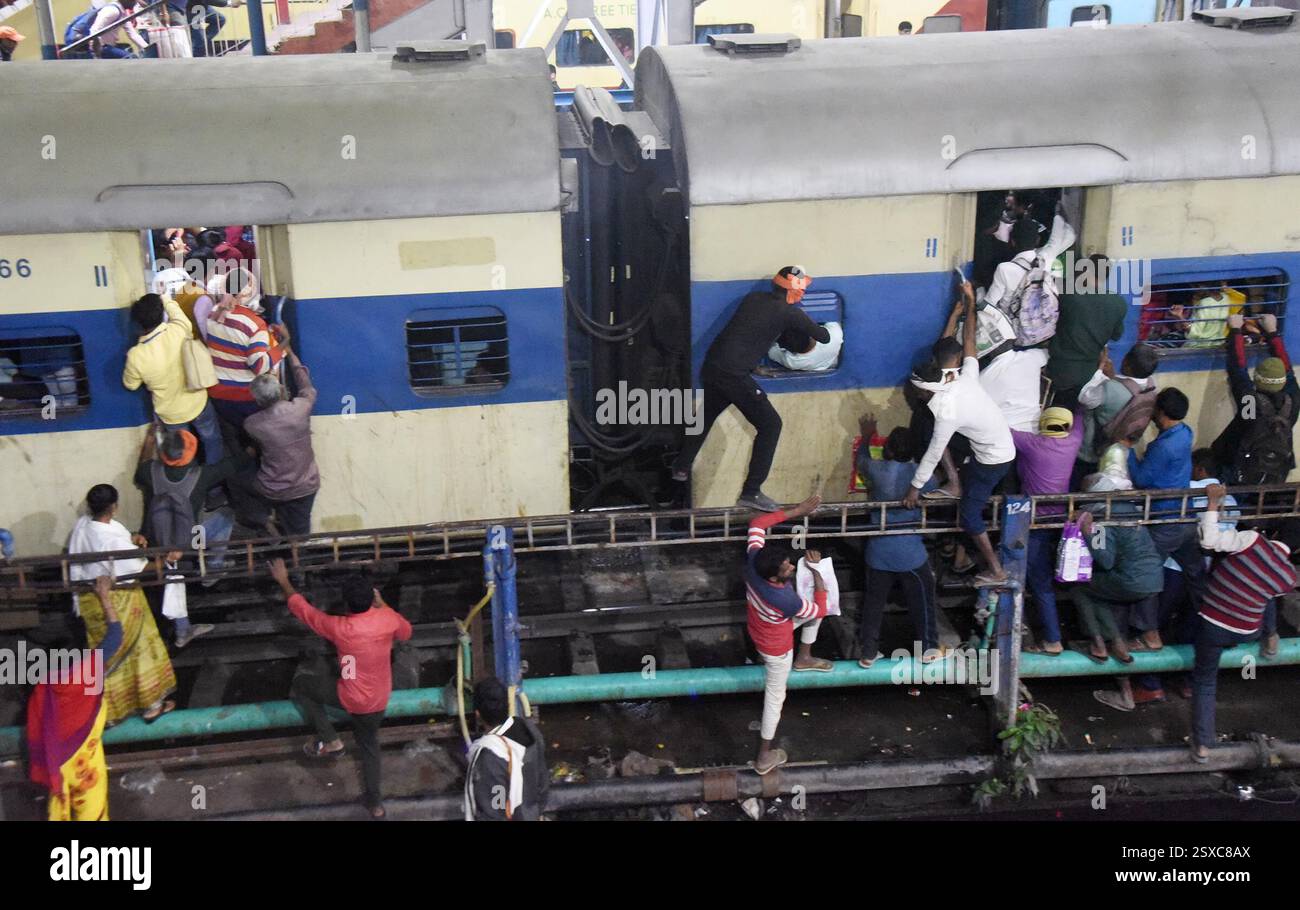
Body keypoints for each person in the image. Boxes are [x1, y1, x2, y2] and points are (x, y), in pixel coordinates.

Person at [671, 267, 830, 510]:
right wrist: (808, 319)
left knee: (706, 416)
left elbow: (751, 333)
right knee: (771, 425)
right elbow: (824, 336)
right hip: (733, 376)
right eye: (802, 289)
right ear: (793, 290)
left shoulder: (753, 299)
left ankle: (681, 467)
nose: (804, 293)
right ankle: (752, 492)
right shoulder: (789, 313)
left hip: (713, 368)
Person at [270, 558, 412, 819]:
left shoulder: (339, 628)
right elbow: (406, 632)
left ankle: (331, 739)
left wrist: (283, 580)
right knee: (369, 747)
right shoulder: (387, 619)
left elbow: (303, 610)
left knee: (302, 685)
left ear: (346, 604)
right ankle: (376, 805)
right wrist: (384, 606)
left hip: (351, 696)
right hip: (379, 699)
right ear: (373, 598)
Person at [904, 281, 1016, 588]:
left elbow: (932, 454)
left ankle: (996, 569)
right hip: (994, 446)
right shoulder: (966, 376)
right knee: (951, 452)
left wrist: (914, 489)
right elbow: (969, 338)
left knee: (969, 515)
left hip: (993, 460)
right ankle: (955, 483)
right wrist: (968, 302)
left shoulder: (946, 413)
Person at [1189, 484, 1299, 762]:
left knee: (1205, 680)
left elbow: (1209, 542)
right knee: (1268, 597)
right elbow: (1271, 595)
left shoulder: (1252, 540)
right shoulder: (1287, 576)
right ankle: (1271, 639)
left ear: (1273, 531)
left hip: (1214, 624)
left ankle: (1202, 745)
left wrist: (1213, 504)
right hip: (1247, 629)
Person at [66, 484, 178, 724]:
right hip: (116, 601)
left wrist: (132, 539)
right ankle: (151, 705)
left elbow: (113, 546)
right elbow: (137, 567)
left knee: (103, 657)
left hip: (89, 601)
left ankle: (107, 711)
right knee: (138, 648)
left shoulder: (83, 525)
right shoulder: (110, 540)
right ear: (114, 507)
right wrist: (166, 561)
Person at [744, 493, 831, 774]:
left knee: (808, 618)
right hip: (776, 647)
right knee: (775, 698)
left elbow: (757, 524)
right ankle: (764, 757)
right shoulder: (785, 599)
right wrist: (817, 572)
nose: (792, 566)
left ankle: (805, 658)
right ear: (774, 578)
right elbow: (818, 608)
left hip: (759, 627)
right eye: (787, 568)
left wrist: (798, 509)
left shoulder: (754, 559)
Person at [134, 427, 253, 632]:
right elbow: (231, 465)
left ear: (163, 454)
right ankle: (212, 569)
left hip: (157, 543)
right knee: (226, 515)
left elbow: (141, 467)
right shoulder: (200, 475)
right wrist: (251, 453)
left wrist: (149, 440)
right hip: (191, 544)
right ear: (189, 454)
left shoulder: (150, 472)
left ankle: (183, 625)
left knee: (174, 571)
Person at [26, 575, 119, 821]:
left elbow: (35, 724)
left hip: (58, 761)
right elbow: (115, 636)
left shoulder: (45, 683)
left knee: (60, 808)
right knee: (93, 807)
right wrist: (104, 596)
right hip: (85, 760)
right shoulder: (88, 668)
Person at [1072, 476, 1165, 709]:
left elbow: (1105, 561)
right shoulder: (1128, 507)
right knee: (1100, 592)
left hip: (1131, 581)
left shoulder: (1102, 517)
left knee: (1080, 588)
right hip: (1154, 576)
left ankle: (1100, 644)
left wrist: (1087, 530)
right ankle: (1116, 644)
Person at [855, 417, 942, 666]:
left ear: (887, 449)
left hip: (878, 552)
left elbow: (860, 459)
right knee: (923, 600)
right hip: (910, 554)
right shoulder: (920, 476)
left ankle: (868, 652)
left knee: (873, 603)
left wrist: (868, 435)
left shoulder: (875, 470)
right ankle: (928, 648)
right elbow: (942, 484)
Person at [1124, 387, 1203, 651]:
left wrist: (1128, 452)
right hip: (1187, 518)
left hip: (1164, 522)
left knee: (1145, 572)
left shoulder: (1163, 447)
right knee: (1196, 576)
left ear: (1161, 412)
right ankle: (1209, 622)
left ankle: (1149, 633)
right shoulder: (1185, 433)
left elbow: (1143, 479)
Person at [1011, 407, 1084, 654]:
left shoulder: (1033, 443)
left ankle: (1053, 639)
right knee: (1048, 579)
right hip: (1061, 520)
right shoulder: (1073, 441)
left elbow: (1003, 429)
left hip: (1035, 524)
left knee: (1039, 583)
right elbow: (1081, 419)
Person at [123, 293, 224, 465]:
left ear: (138, 323)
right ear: (161, 312)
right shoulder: (178, 330)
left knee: (180, 451)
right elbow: (176, 312)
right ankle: (215, 475)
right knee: (212, 439)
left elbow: (130, 385)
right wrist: (164, 299)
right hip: (197, 400)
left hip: (171, 414)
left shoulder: (136, 355)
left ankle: (189, 482)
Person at [1211, 313, 1298, 484]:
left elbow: (1238, 372)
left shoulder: (1250, 403)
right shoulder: (1293, 400)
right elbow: (1288, 373)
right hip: (1276, 470)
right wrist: (1272, 331)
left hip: (1237, 466)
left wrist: (1235, 330)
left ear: (1257, 379)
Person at [243, 345, 319, 537]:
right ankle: (295, 549)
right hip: (306, 484)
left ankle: (265, 521)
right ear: (282, 389)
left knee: (241, 480)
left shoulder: (252, 424)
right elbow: (305, 385)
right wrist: (290, 351)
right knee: (300, 530)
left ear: (258, 402)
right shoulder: (302, 407)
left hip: (272, 489)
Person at [204, 268, 285, 429]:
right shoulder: (254, 324)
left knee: (238, 434)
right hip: (245, 396)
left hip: (217, 393)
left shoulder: (213, 312)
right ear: (248, 292)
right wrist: (282, 347)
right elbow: (259, 366)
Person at [1048, 254, 1130, 410]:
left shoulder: (1067, 292)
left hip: (1060, 369)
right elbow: (1116, 335)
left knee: (1052, 417)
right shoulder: (1118, 303)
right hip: (1088, 376)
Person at [464, 678, 549, 821]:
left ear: (478, 715)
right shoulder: (529, 730)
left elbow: (495, 811)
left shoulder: (491, 756)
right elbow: (543, 784)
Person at [1076, 343, 1160, 486]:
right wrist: (1112, 378)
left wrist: (1099, 371)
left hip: (1091, 450)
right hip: (1118, 452)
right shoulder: (1151, 390)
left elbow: (1085, 397)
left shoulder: (1110, 387)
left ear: (1126, 362)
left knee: (1081, 486)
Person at [979, 203, 1076, 314]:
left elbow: (989, 305)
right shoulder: (1046, 258)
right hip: (1039, 326)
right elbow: (1064, 238)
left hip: (1011, 325)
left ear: (1012, 242)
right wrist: (1058, 215)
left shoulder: (1004, 269)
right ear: (1037, 240)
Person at [764, 321, 843, 373]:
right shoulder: (835, 334)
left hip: (824, 363)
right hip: (831, 361)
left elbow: (770, 351)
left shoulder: (793, 362)